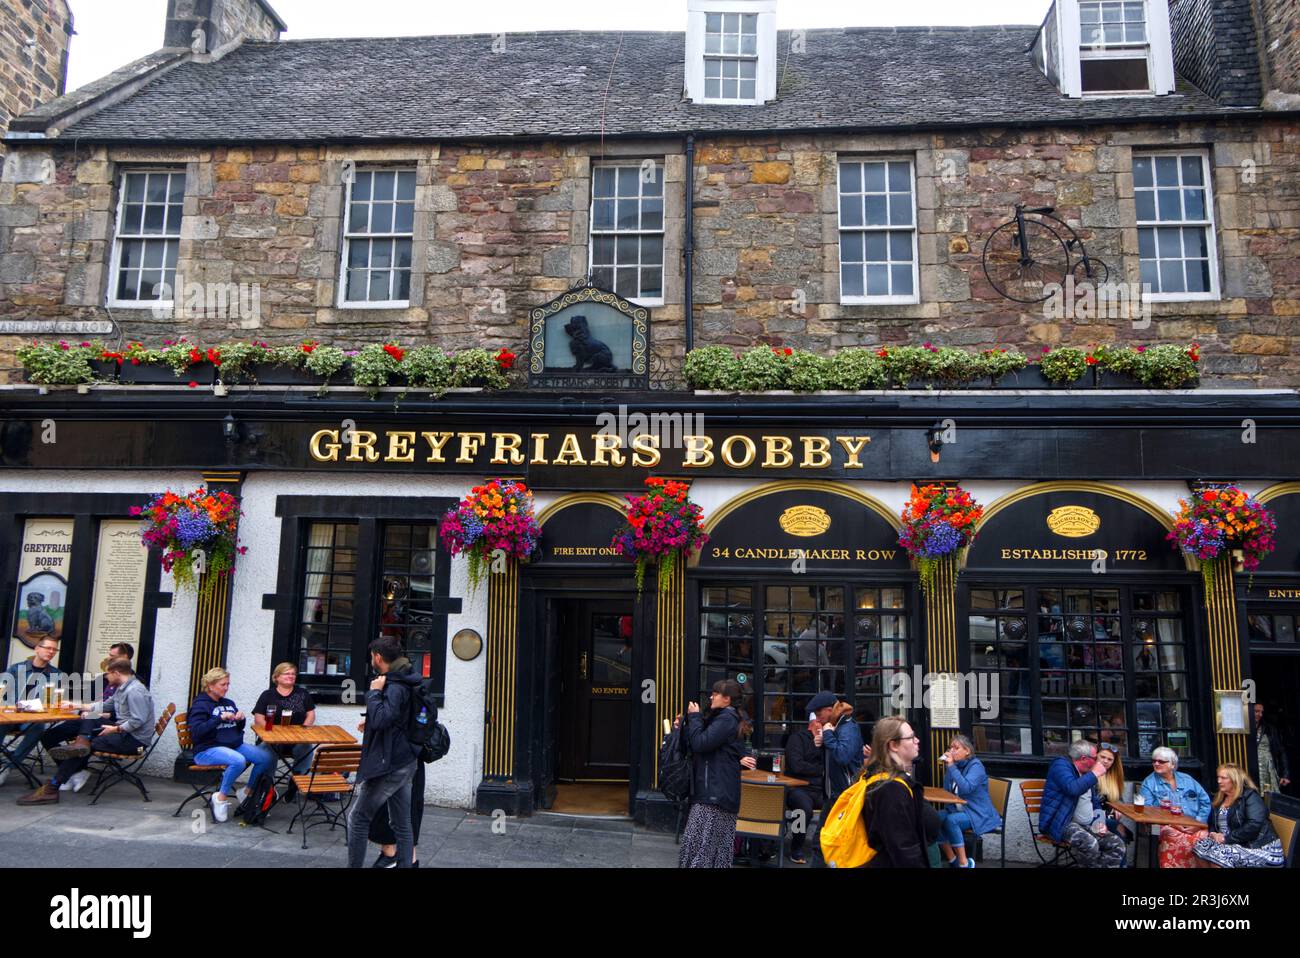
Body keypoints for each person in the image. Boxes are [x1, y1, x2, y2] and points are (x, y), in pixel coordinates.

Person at [16, 658, 154, 805]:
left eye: (108, 674)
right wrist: (75, 705)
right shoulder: (123, 688)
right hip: (122, 732)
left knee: (86, 747)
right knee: (78, 726)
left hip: (133, 740)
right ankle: (80, 744)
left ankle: (52, 788)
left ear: (117, 673)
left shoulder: (135, 691)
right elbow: (104, 706)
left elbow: (138, 721)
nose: (106, 677)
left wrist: (116, 728)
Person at [346, 636, 422, 869]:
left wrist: (374, 693)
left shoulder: (393, 685)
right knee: (401, 822)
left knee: (357, 819)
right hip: (406, 760)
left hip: (389, 763)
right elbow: (394, 718)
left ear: (378, 657)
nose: (371, 660)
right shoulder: (407, 677)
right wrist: (369, 721)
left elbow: (382, 719)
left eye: (372, 656)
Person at [188, 667, 276, 823]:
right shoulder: (200, 705)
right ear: (210, 685)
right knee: (238, 760)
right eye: (223, 684)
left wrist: (240, 719)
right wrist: (218, 719)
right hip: (207, 749)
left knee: (266, 757)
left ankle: (247, 792)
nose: (227, 688)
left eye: (228, 684)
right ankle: (220, 797)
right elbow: (196, 732)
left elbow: (236, 729)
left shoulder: (228, 703)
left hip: (232, 745)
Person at [678, 679, 747, 868]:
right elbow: (698, 743)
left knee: (700, 848)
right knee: (714, 852)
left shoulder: (726, 719)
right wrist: (686, 725)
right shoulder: (722, 718)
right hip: (717, 793)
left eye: (715, 694)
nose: (711, 696)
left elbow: (701, 743)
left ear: (727, 699)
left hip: (715, 795)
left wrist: (694, 717)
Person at [1040, 740, 1125, 867]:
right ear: (1084, 758)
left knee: (1116, 844)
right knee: (1090, 844)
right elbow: (1072, 789)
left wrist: (1099, 822)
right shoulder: (1061, 766)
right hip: (1063, 823)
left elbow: (1094, 801)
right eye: (1096, 758)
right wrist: (1094, 773)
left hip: (1087, 824)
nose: (1099, 761)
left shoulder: (1086, 773)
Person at [860, 715, 929, 868]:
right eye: (911, 737)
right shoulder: (891, 789)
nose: (917, 741)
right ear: (893, 745)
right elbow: (903, 848)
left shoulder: (878, 778)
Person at [0, 637, 65, 787]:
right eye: (48, 648)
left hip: (33, 718)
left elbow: (54, 702)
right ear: (37, 648)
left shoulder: (56, 674)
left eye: (54, 649)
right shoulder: (16, 669)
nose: (51, 652)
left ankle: (8, 767)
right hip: (11, 714)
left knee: (38, 728)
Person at [1192, 764, 1285, 868]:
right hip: (1232, 844)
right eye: (1218, 777)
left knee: (1218, 856)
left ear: (1234, 779)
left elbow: (1254, 825)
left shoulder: (1250, 796)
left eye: (1223, 778)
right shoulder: (1220, 798)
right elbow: (1214, 822)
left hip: (1260, 848)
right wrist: (1214, 833)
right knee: (1199, 847)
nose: (1219, 781)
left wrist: (1226, 839)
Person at [1138, 746, 1211, 868]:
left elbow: (1205, 802)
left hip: (1193, 823)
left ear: (1172, 764)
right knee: (1174, 836)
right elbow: (1148, 810)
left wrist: (1198, 823)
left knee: (1202, 836)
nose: (1156, 763)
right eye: (1154, 761)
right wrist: (1175, 825)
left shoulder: (1187, 779)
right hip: (1166, 825)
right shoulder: (1149, 783)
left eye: (1161, 761)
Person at [937, 734, 1002, 868]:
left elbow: (966, 788)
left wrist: (951, 767)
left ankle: (964, 863)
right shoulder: (954, 766)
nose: (952, 751)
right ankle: (953, 860)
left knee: (951, 821)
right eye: (951, 748)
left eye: (956, 748)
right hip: (958, 809)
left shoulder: (976, 766)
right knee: (933, 818)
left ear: (967, 751)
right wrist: (950, 768)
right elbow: (946, 791)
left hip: (977, 811)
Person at [781, 703, 827, 865]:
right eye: (821, 723)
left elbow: (831, 765)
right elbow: (796, 765)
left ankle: (825, 846)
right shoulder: (797, 739)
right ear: (813, 723)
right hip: (798, 788)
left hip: (820, 789)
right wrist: (821, 770)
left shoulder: (827, 741)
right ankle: (796, 846)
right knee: (802, 810)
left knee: (836, 806)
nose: (824, 727)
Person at [252, 662, 318, 776]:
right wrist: (272, 734)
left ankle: (296, 783)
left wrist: (303, 731)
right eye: (287, 673)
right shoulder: (268, 695)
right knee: (267, 750)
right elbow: (258, 718)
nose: (291, 676)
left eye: (293, 674)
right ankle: (267, 786)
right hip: (272, 739)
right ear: (276, 676)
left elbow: (311, 714)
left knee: (306, 747)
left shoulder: (302, 693)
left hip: (297, 739)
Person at [1092, 742, 1132, 843]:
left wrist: (1118, 807)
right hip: (1092, 816)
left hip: (1108, 817)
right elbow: (1091, 801)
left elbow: (1120, 800)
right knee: (1119, 830)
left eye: (1110, 759)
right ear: (1096, 756)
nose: (1105, 761)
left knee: (1120, 833)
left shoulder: (1112, 777)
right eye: (1102, 757)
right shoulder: (1090, 774)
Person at [1254, 703, 1292, 796]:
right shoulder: (1243, 729)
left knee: (1270, 800)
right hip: (1251, 770)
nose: (1260, 714)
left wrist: (1285, 774)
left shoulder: (1270, 729)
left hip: (1268, 770)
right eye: (1256, 711)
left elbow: (1280, 751)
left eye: (1261, 712)